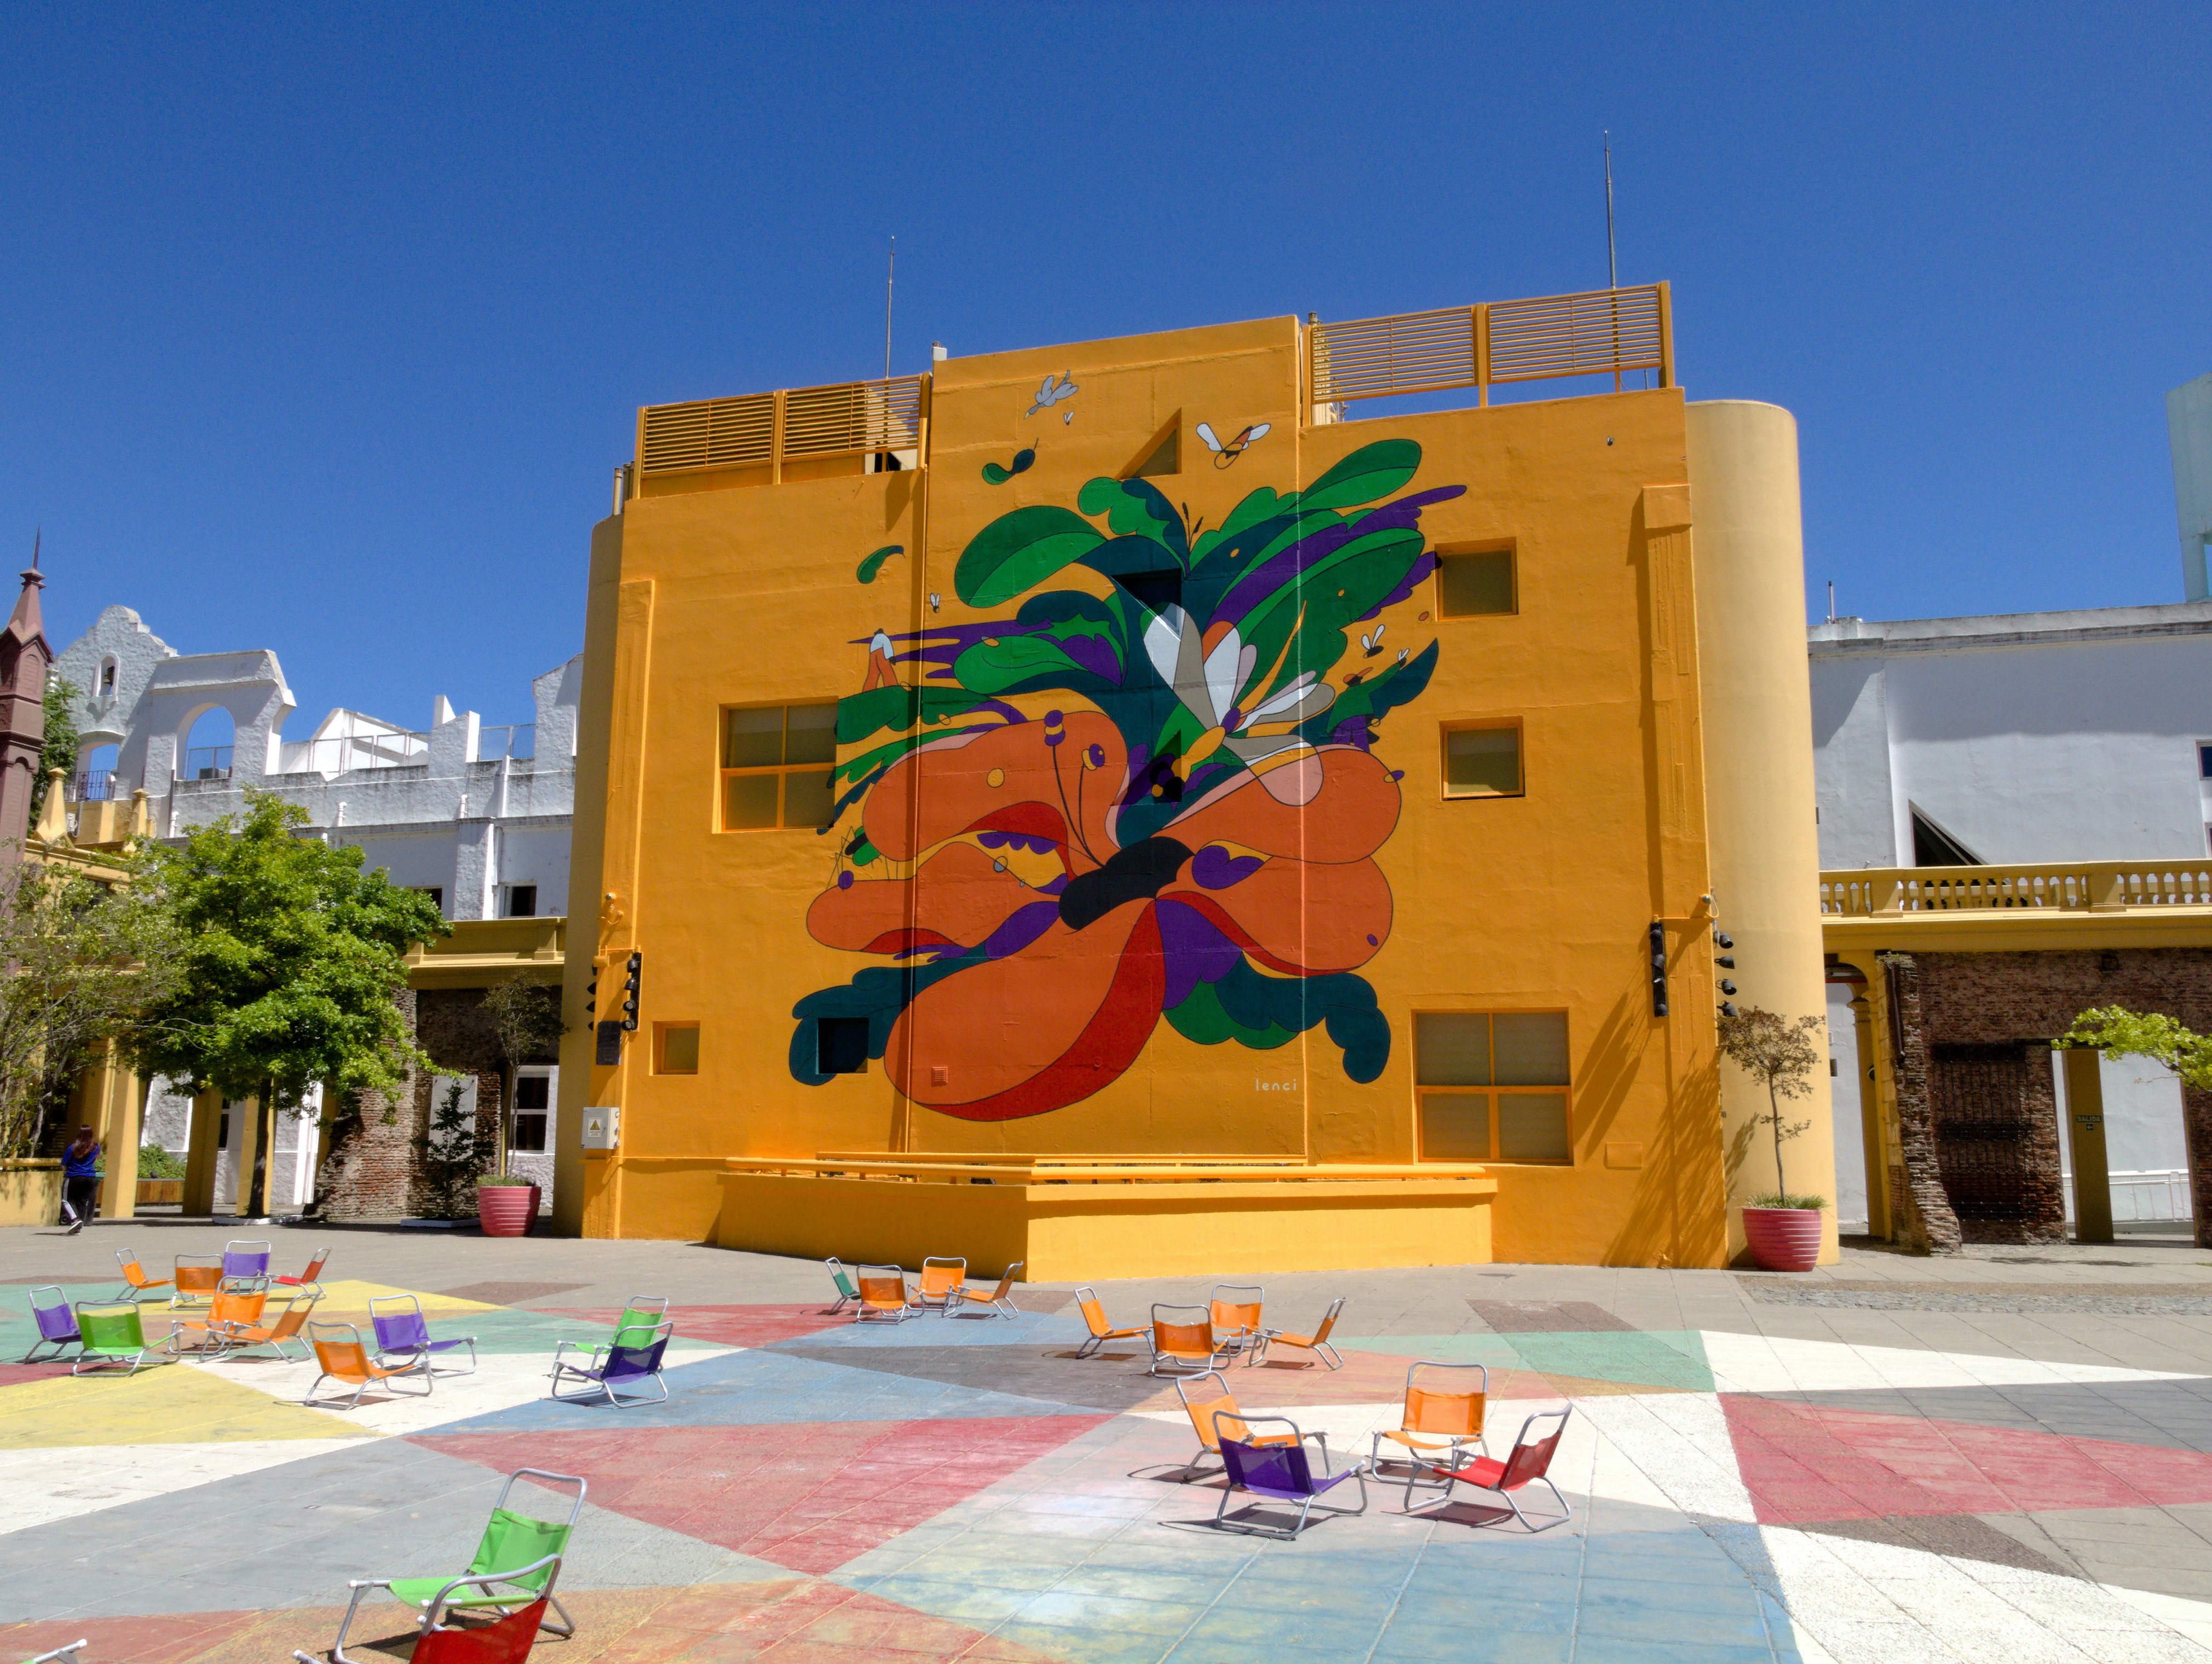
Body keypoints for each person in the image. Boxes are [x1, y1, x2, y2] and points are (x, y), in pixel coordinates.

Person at [60, 1126, 101, 1234]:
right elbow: (96, 1158)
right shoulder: (96, 1147)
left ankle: (75, 1220)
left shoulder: (73, 1148)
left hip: (74, 1176)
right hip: (90, 1178)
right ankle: (78, 1228)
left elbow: (64, 1163)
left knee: (67, 1200)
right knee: (83, 1202)